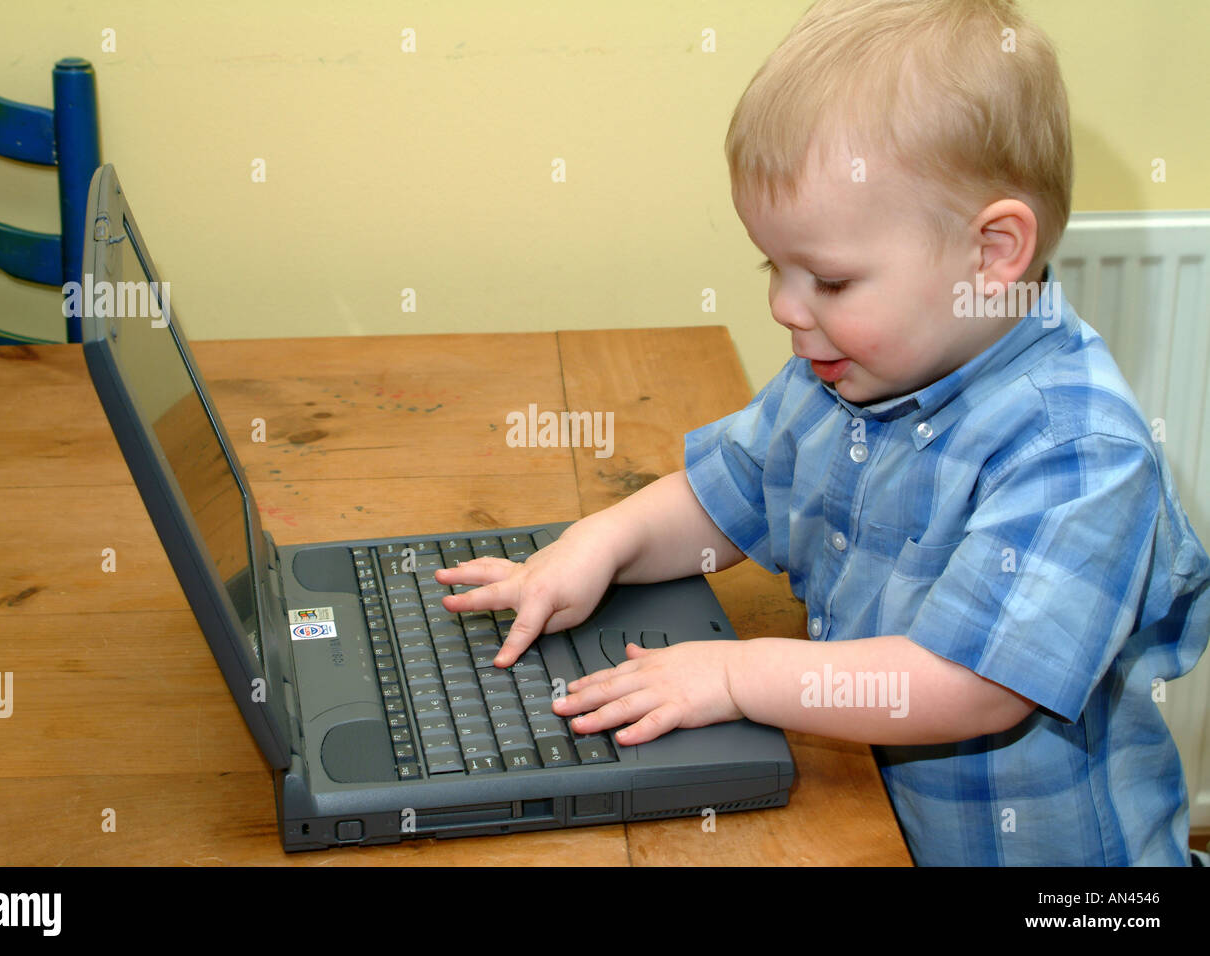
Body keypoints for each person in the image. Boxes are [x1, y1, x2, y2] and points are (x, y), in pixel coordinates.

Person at [436, 0, 1210, 865]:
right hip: (873, 814)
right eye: (776, 266)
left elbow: (970, 686)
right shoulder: (846, 371)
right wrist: (600, 543)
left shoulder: (1078, 454)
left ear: (993, 253)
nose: (784, 307)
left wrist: (733, 675)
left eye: (831, 280)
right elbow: (723, 495)